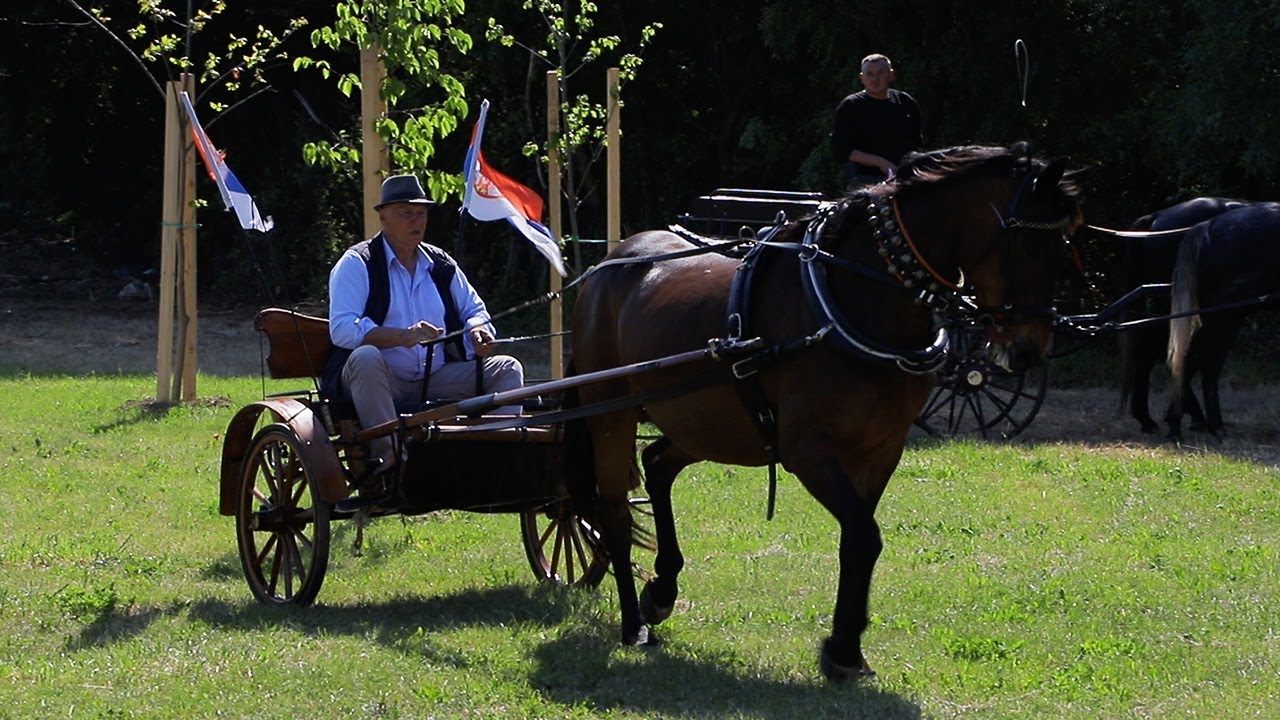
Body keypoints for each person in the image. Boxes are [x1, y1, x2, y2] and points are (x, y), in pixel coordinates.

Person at [323, 174, 524, 483]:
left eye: (421, 213)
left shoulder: (441, 265)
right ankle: (390, 464)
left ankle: (496, 459)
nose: (416, 221)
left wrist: (477, 331)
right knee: (365, 358)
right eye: (406, 213)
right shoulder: (358, 263)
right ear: (383, 217)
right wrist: (401, 336)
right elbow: (342, 328)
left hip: (436, 378)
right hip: (382, 380)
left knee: (507, 368)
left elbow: (475, 310)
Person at [830, 53, 923, 188]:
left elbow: (917, 144)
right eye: (869, 74)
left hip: (905, 177)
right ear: (862, 78)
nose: (875, 79)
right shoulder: (851, 106)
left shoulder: (906, 103)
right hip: (866, 180)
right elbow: (841, 150)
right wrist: (881, 162)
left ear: (891, 75)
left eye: (880, 73)